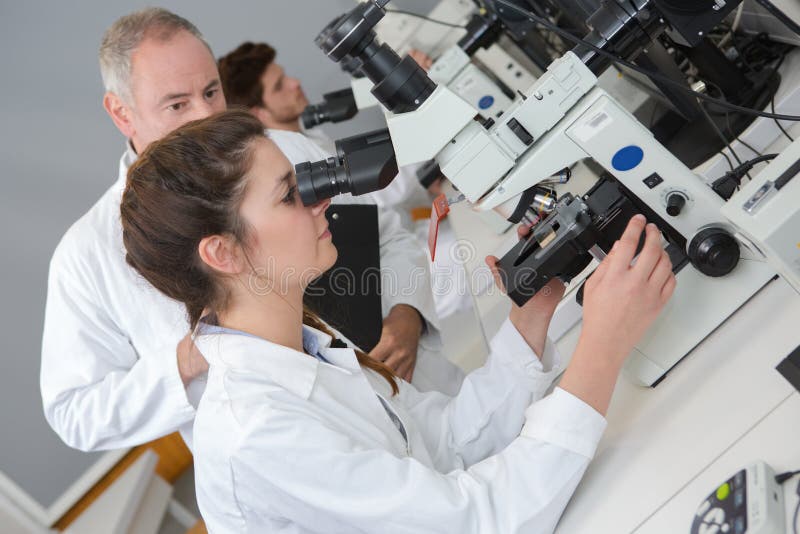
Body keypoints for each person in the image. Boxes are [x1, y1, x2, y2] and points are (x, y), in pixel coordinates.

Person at [121, 109, 676, 534]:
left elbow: (446, 444)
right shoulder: (257, 432)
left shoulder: (307, 346)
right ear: (223, 253)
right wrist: (604, 345)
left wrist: (529, 322)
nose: (323, 204)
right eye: (292, 195)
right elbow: (477, 520)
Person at [38, 7, 449, 455]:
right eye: (177, 104)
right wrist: (188, 359)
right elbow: (74, 411)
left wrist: (408, 314)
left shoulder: (284, 150)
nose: (204, 117)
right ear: (122, 112)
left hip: (421, 393)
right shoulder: (88, 254)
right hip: (304, 453)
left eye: (211, 92)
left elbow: (385, 232)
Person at [218, 41, 473, 322]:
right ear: (259, 114)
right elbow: (381, 193)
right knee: (473, 250)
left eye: (285, 75)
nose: (294, 83)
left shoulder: (306, 137)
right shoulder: (290, 157)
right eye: (280, 86)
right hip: (388, 273)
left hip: (402, 239)